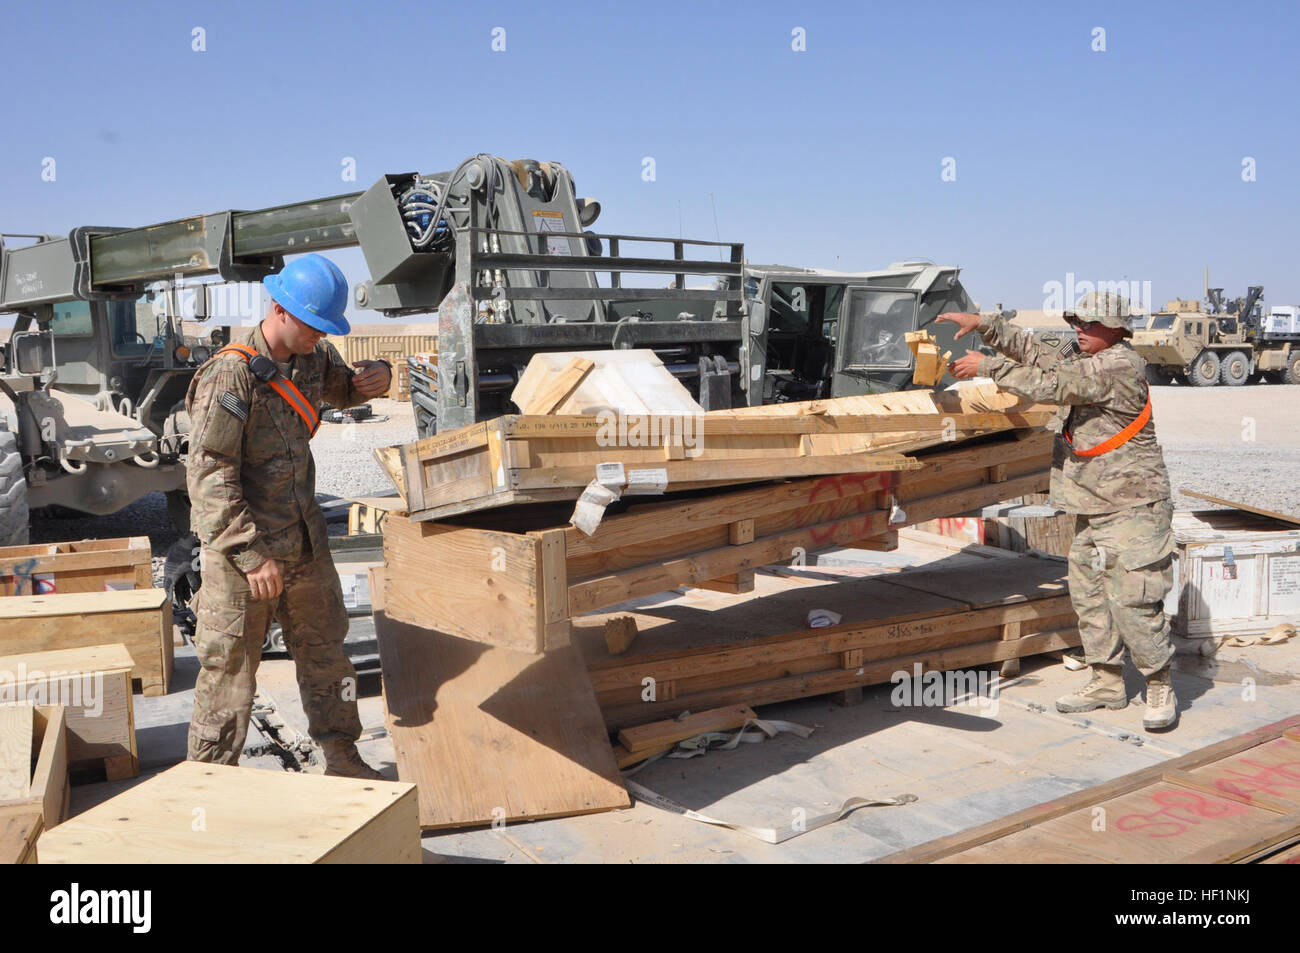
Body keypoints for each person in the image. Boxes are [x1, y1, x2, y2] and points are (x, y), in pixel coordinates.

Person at [185, 253, 393, 774]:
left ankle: (344, 757)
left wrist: (378, 377)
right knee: (228, 672)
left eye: (327, 328)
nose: (320, 336)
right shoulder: (229, 376)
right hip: (243, 558)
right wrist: (253, 556)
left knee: (327, 656)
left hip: (305, 545)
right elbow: (210, 476)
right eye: (313, 324)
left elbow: (346, 388)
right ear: (278, 309)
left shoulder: (313, 359)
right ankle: (208, 785)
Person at [938, 292, 1178, 731]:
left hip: (1134, 505)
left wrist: (987, 366)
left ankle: (1159, 683)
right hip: (1092, 502)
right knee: (1089, 595)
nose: (1079, 330)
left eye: (1089, 324)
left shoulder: (1119, 365)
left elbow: (1053, 385)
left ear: (1116, 328)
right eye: (1076, 323)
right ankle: (1106, 681)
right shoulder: (1082, 355)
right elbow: (1038, 353)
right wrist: (985, 324)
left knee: (1135, 599)